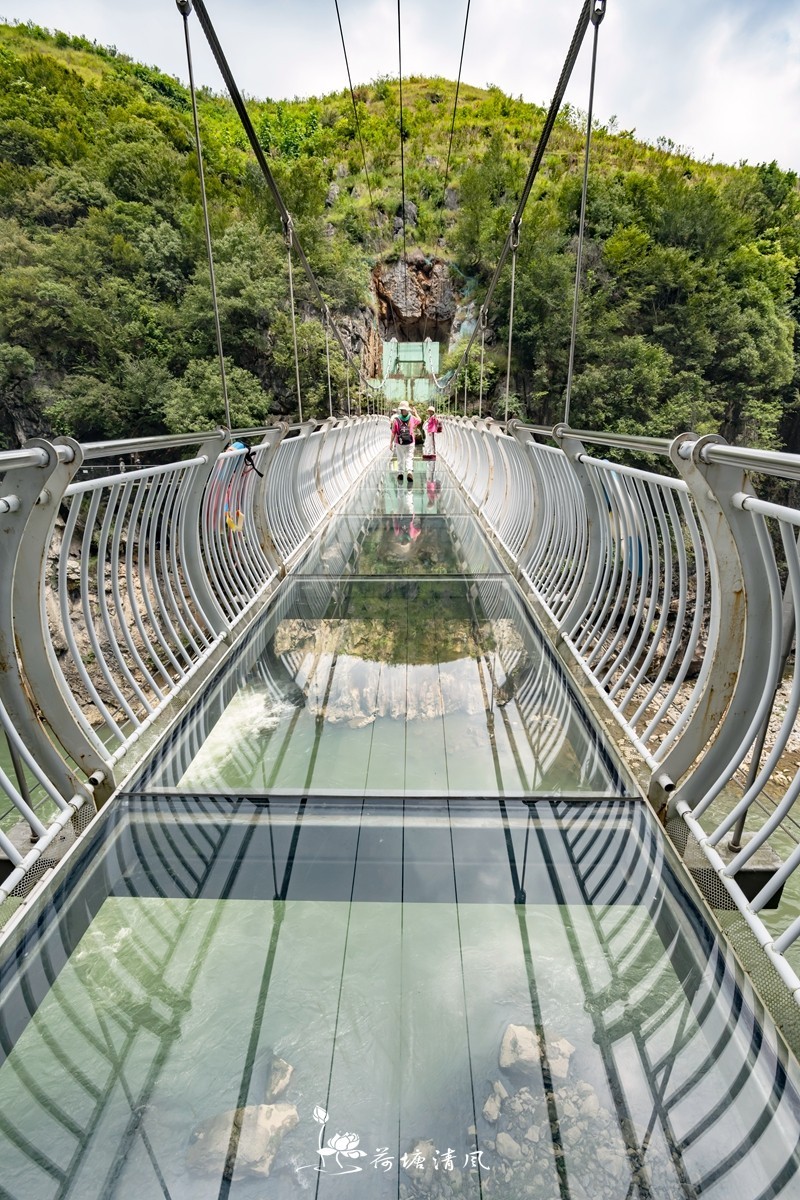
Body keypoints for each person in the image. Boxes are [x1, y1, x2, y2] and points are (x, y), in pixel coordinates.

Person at [390, 400, 421, 483]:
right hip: (410, 441)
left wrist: (391, 443)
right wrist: (415, 413)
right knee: (409, 457)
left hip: (399, 442)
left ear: (400, 410)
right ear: (407, 410)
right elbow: (420, 420)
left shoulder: (396, 420)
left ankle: (400, 473)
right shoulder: (412, 418)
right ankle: (409, 472)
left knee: (400, 457)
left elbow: (393, 432)